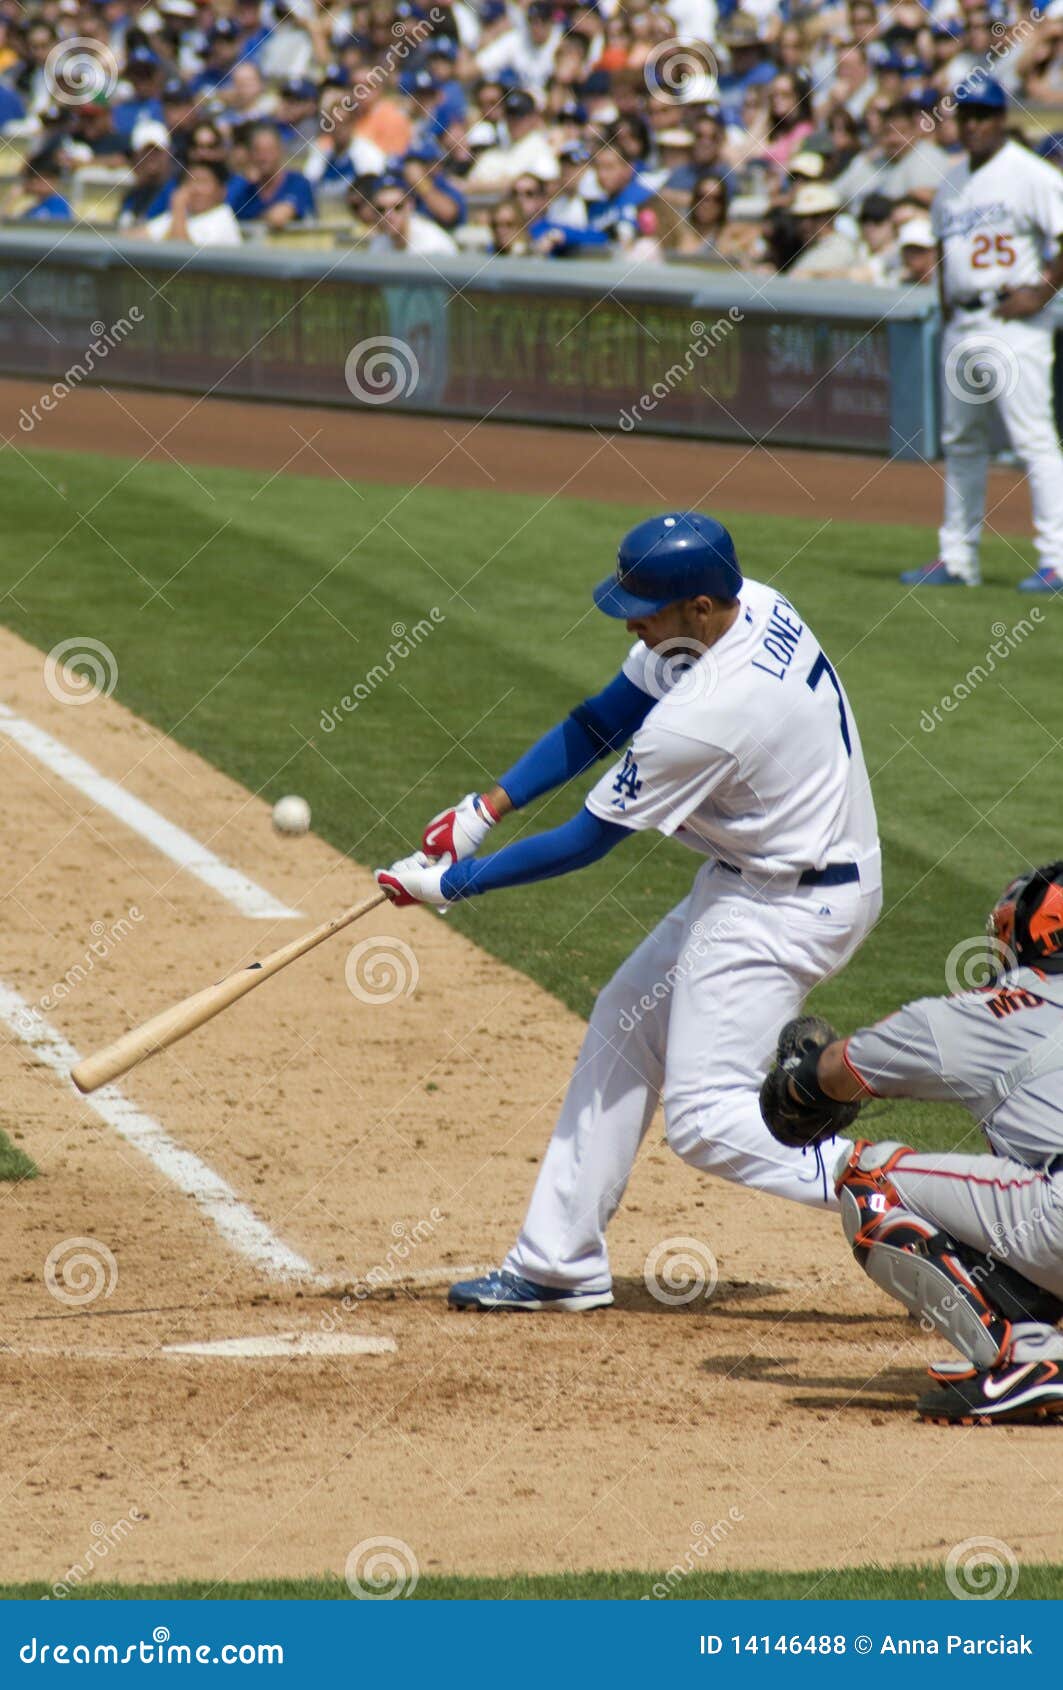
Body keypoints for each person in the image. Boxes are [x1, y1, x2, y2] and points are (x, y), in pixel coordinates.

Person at [375, 511, 882, 1312]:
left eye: (644, 610)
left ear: (699, 608)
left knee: (706, 1123)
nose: (630, 624)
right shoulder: (746, 603)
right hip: (762, 878)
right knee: (624, 1021)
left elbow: (585, 841)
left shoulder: (710, 714)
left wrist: (451, 885)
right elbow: (602, 717)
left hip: (790, 907)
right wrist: (484, 807)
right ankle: (557, 1263)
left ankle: (912, 1190)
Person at [759, 862, 1063, 1425]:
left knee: (870, 1179)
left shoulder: (996, 1011)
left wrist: (798, 1080)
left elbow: (832, 1073)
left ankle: (1024, 1359)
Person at [901, 81, 1063, 594]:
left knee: (1033, 439)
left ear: (1000, 119)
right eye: (966, 116)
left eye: (983, 115)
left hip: (1013, 320)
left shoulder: (1030, 173)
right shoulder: (950, 182)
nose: (973, 125)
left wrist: (1042, 293)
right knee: (962, 441)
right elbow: (944, 254)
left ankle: (1058, 559)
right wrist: (948, 310)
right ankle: (957, 559)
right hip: (964, 323)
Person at [145, 158, 242, 245]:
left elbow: (179, 253)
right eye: (189, 182)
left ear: (221, 191)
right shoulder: (180, 215)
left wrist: (178, 208)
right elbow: (141, 236)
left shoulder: (222, 219)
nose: (195, 189)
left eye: (202, 182)